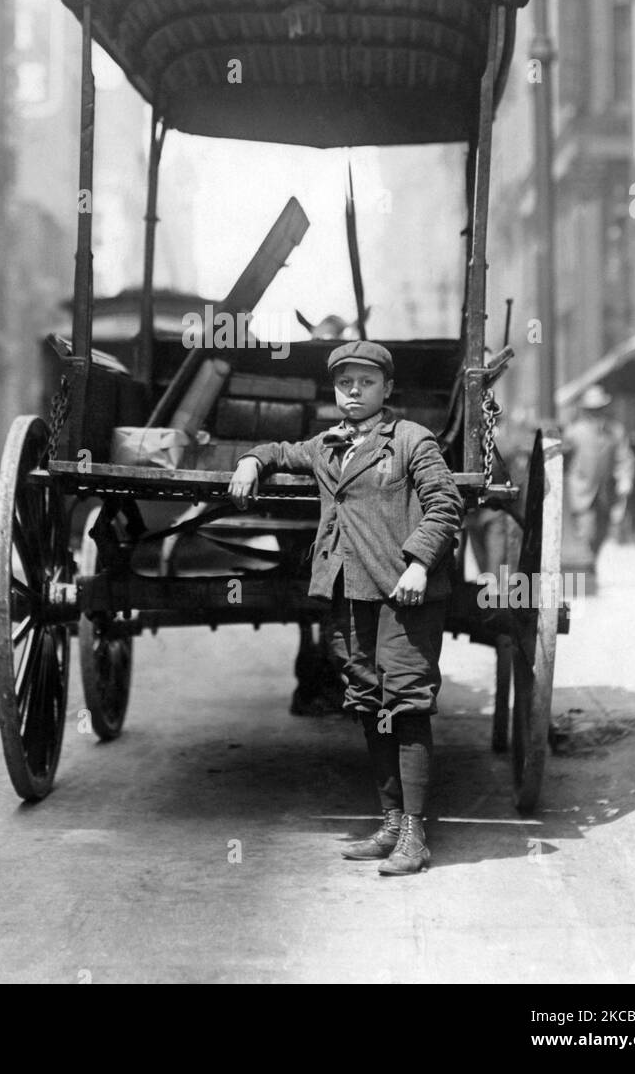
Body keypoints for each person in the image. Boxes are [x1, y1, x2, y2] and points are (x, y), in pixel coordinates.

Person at [228, 340, 463, 876]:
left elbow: (446, 504)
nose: (354, 393)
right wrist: (250, 460)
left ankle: (415, 834)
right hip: (350, 594)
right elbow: (280, 450)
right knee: (368, 700)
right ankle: (388, 821)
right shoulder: (327, 445)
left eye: (366, 384)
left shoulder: (410, 440)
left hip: (405, 595)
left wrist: (420, 563)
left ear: (387, 390)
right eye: (344, 385)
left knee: (405, 702)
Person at [563, 385, 634, 591]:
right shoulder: (575, 432)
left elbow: (625, 458)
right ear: (586, 411)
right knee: (587, 532)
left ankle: (591, 567)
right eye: (593, 410)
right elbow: (564, 459)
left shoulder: (616, 432)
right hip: (581, 493)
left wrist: (625, 480)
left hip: (606, 494)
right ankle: (586, 576)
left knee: (601, 534)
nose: (597, 414)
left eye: (600, 409)